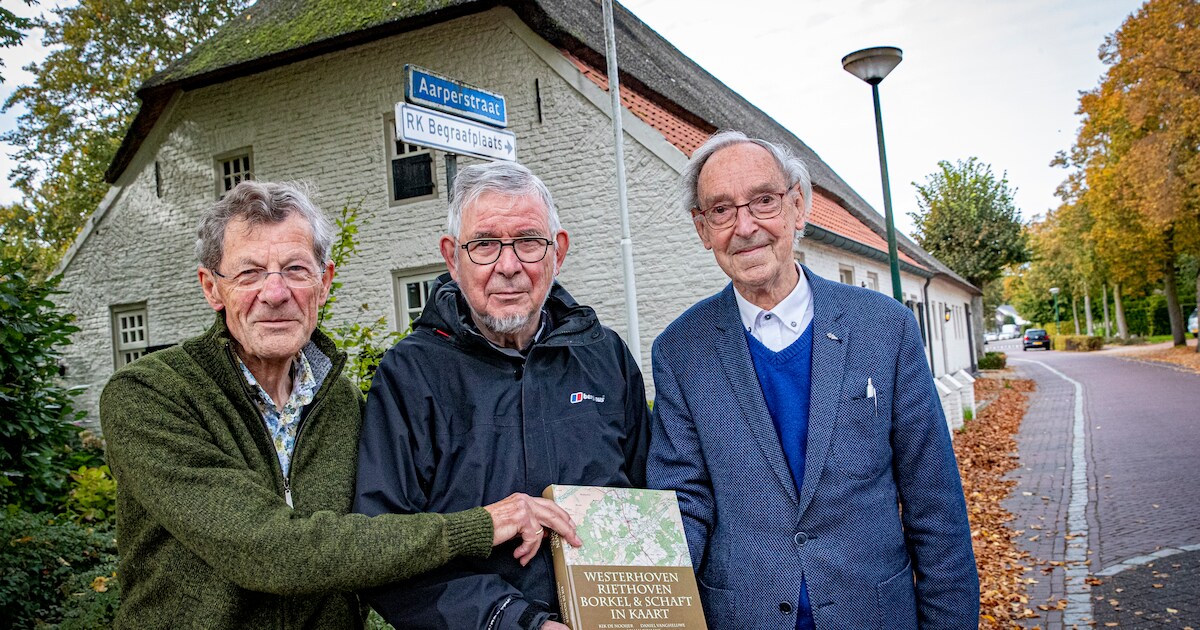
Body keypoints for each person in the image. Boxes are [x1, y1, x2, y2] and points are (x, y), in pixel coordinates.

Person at [100, 181, 580, 630]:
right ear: (212, 288)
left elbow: (380, 536)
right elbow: (266, 550)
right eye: (249, 273)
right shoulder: (150, 396)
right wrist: (480, 526)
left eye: (295, 270)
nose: (275, 293)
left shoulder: (343, 404)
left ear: (324, 282)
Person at [646, 131, 979, 629]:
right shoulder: (679, 350)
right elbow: (683, 501)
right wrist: (641, 595)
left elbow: (935, 505)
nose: (745, 226)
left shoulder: (884, 328)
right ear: (701, 228)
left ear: (797, 207)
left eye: (763, 201)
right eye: (720, 210)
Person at [354, 161, 651, 630]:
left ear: (558, 252)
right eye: (485, 244)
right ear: (452, 258)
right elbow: (382, 549)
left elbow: (649, 503)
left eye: (529, 242)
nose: (508, 266)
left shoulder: (604, 357)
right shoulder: (410, 375)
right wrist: (515, 622)